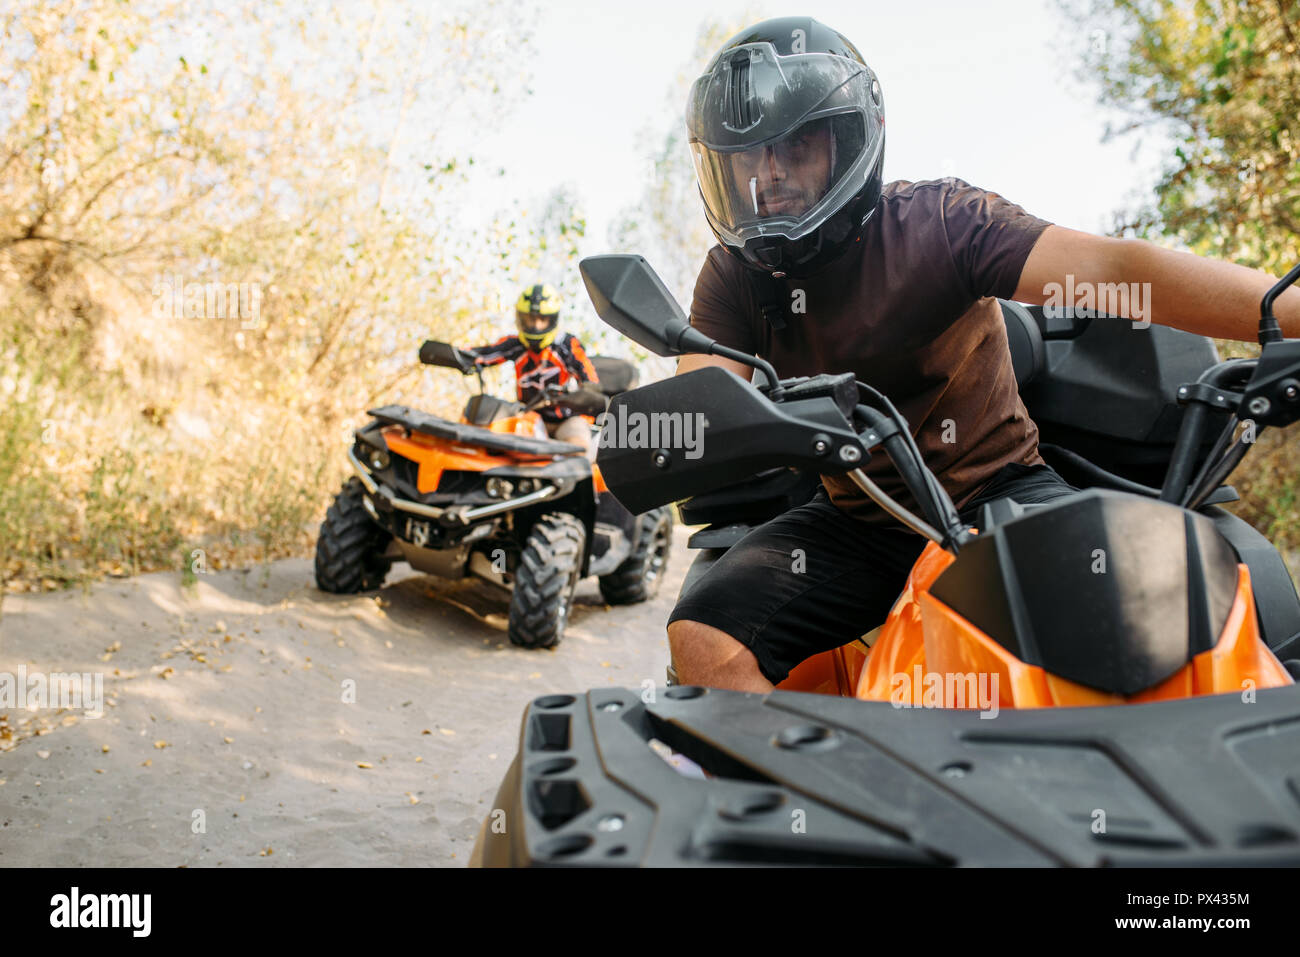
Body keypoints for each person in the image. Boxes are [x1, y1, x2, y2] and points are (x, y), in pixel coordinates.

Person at [668, 16, 1300, 693]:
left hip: (999, 489)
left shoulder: (940, 224)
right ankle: (808, 765)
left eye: (795, 145)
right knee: (701, 637)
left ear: (849, 139)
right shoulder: (733, 277)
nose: (768, 174)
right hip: (859, 519)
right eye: (746, 157)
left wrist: (1284, 313)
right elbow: (702, 407)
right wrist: (676, 434)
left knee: (1129, 619)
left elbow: (1117, 271)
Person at [465, 283, 600, 458]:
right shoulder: (515, 345)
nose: (536, 325)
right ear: (521, 318)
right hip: (528, 417)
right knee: (494, 445)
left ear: (552, 320)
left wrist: (589, 392)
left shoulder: (567, 345)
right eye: (530, 319)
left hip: (567, 420)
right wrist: (451, 354)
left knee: (577, 450)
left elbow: (590, 377)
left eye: (542, 319)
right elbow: (480, 355)